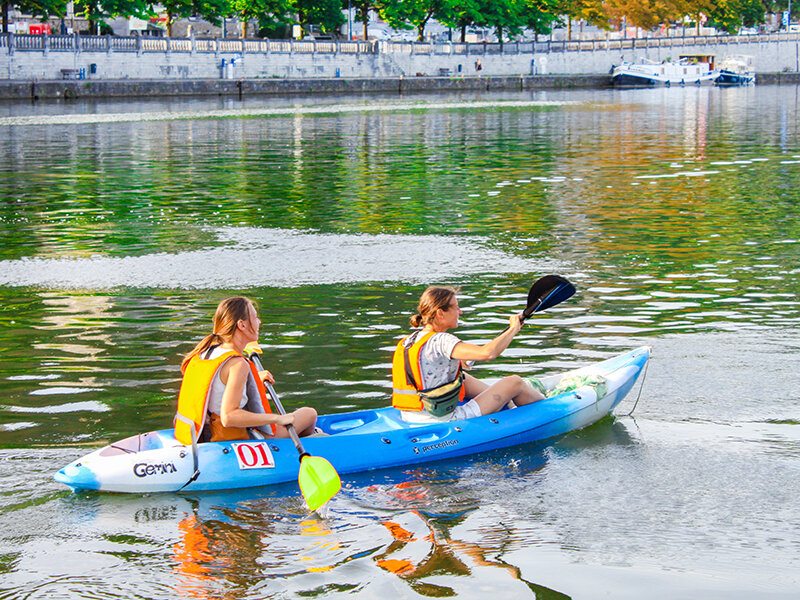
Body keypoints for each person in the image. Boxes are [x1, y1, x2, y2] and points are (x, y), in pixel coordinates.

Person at [175, 297, 317, 443]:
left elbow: (216, 392)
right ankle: (304, 447)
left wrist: (254, 381)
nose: (259, 322)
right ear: (241, 325)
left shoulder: (204, 352)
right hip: (224, 438)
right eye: (255, 318)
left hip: (197, 435)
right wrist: (278, 418)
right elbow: (229, 416)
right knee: (309, 414)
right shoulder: (237, 364)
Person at [392, 286, 544, 423]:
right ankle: (548, 407)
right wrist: (513, 329)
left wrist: (458, 363)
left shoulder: (409, 340)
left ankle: (507, 403)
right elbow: (488, 353)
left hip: (410, 415)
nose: (460, 312)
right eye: (456, 308)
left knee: (464, 378)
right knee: (514, 382)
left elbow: (428, 368)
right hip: (440, 419)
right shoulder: (442, 340)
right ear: (440, 313)